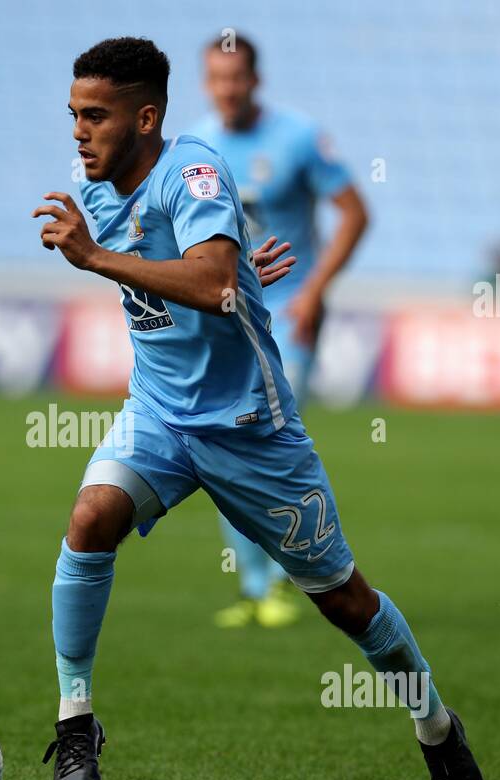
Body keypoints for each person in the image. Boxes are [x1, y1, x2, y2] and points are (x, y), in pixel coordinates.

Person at [33, 37, 483, 780]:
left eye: (95, 116)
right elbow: (209, 271)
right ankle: (76, 721)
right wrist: (230, 275)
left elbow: (207, 282)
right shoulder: (92, 182)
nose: (78, 131)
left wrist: (101, 260)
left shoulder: (193, 168)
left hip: (250, 428)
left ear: (145, 118)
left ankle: (437, 727)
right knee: (88, 520)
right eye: (73, 115)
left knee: (345, 602)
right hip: (160, 417)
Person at [189, 34, 369, 628]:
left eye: (235, 78)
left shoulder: (297, 137)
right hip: (226, 316)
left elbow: (354, 211)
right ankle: (258, 586)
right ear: (205, 82)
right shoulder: (196, 145)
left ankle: (296, 575)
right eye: (216, 79)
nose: (227, 89)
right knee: (223, 441)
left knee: (266, 438)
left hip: (288, 313)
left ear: (255, 79)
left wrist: (316, 289)